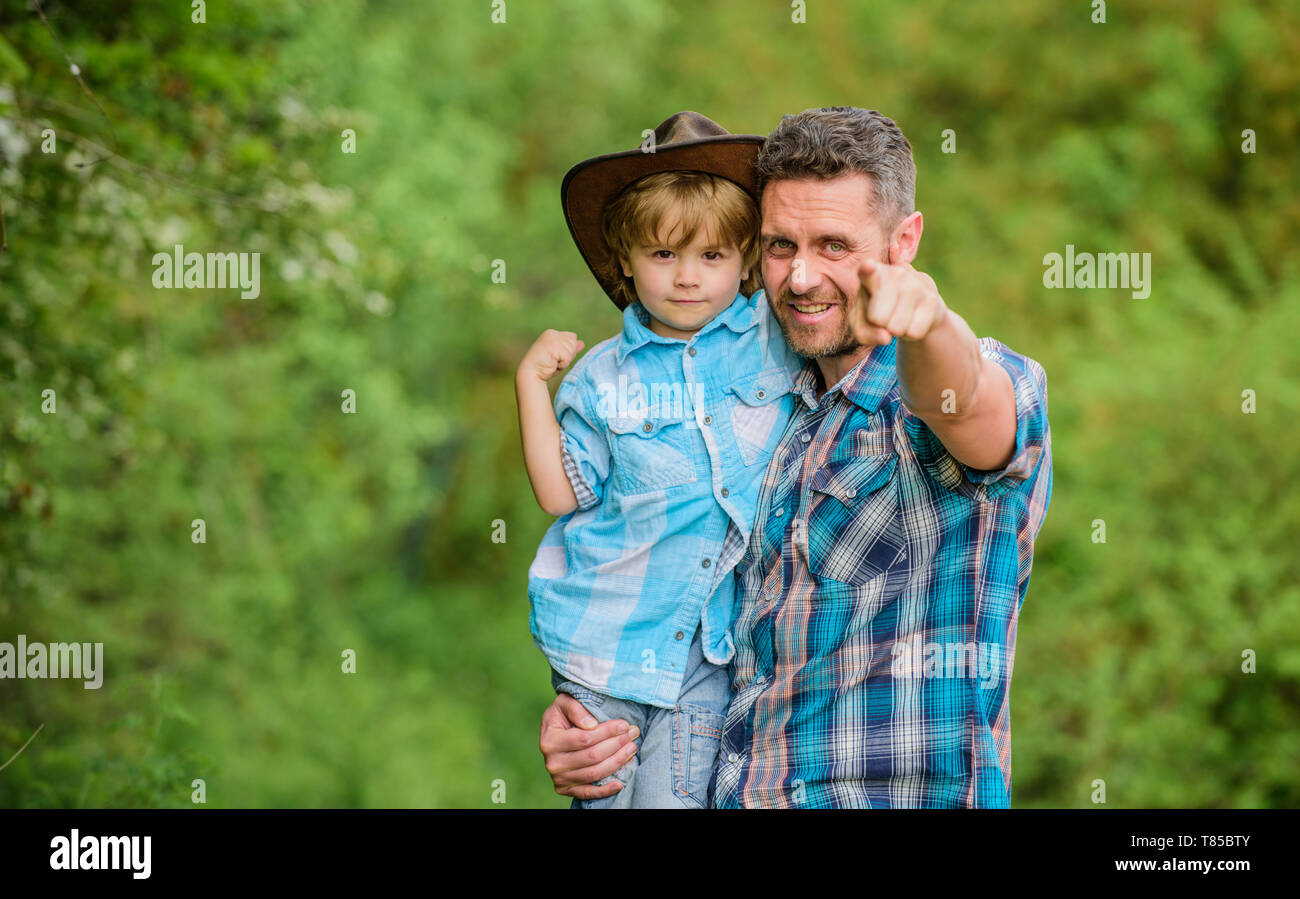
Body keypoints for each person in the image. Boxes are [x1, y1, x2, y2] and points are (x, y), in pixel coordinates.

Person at [537, 107, 1054, 808]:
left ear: (905, 242)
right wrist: (598, 712)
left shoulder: (947, 394)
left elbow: (969, 403)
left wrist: (929, 321)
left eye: (835, 244)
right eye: (782, 245)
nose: (802, 276)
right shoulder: (764, 419)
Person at [516, 111, 803, 807]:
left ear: (744, 264)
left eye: (711, 256)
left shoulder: (774, 341)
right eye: (663, 254)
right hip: (603, 647)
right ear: (624, 259)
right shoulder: (601, 378)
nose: (686, 278)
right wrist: (531, 385)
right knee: (603, 792)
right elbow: (560, 494)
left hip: (706, 655)